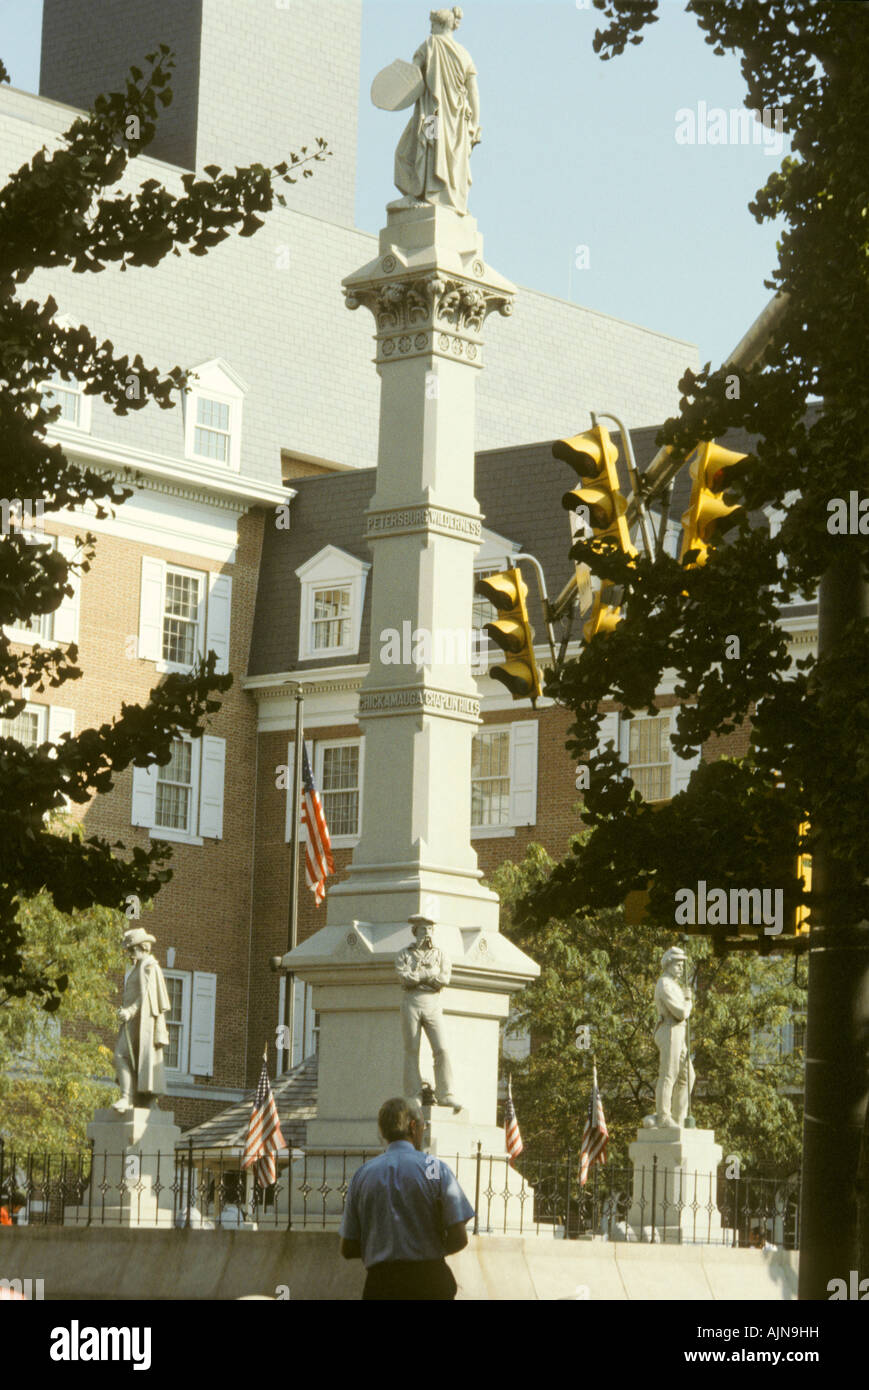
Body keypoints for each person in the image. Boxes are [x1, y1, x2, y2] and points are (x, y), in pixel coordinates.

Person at [339, 1096, 475, 1300]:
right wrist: (427, 1251)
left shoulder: (363, 1175)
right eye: (423, 1126)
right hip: (430, 1281)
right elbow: (459, 1237)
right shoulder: (434, 1169)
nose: (423, 1131)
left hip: (381, 1284)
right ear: (413, 1127)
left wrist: (380, 1247)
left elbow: (348, 1247)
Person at [394, 6, 481, 215]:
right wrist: (476, 122)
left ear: (438, 24)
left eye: (432, 25)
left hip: (432, 114)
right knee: (451, 160)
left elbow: (411, 77)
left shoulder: (429, 45)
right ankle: (445, 199)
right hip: (457, 121)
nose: (430, 29)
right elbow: (473, 92)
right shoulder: (465, 54)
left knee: (415, 150)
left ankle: (420, 194)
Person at [395, 913, 460, 1109]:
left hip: (432, 1002)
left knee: (442, 1049)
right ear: (415, 932)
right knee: (411, 1050)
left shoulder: (441, 955)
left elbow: (443, 979)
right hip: (411, 1001)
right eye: (423, 929)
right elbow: (405, 978)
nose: (427, 933)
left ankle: (446, 1093)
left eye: (430, 929)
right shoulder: (404, 954)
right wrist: (427, 974)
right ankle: (413, 1094)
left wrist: (420, 977)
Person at [112, 927, 172, 1112]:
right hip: (135, 1022)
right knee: (130, 1059)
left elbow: (146, 995)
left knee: (121, 1055)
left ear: (140, 947)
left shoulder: (148, 965)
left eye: (131, 949)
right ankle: (135, 1098)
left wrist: (130, 1011)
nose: (129, 953)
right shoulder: (140, 965)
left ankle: (127, 1098)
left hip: (142, 1022)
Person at [652, 946, 696, 1127]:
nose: (681, 968)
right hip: (669, 1027)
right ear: (668, 964)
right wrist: (688, 1002)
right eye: (677, 964)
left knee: (688, 1076)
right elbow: (680, 1012)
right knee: (669, 1073)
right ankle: (663, 1116)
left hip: (678, 1030)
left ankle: (679, 1118)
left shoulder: (674, 985)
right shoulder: (665, 984)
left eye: (682, 964)